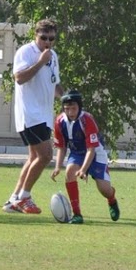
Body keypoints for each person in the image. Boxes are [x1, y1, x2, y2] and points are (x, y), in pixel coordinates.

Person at [5, 19, 62, 215]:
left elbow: (55, 85)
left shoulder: (53, 55)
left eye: (51, 38)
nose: (48, 42)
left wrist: (69, 99)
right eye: (43, 37)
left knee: (33, 157)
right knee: (45, 156)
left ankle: (14, 199)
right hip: (30, 113)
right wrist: (40, 62)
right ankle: (24, 197)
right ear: (35, 36)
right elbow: (19, 78)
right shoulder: (26, 52)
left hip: (45, 115)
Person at [49, 90, 119, 224]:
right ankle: (77, 215)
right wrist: (57, 167)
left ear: (79, 107)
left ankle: (112, 199)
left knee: (105, 190)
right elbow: (62, 147)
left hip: (96, 154)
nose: (70, 112)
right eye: (67, 108)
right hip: (77, 153)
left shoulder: (87, 120)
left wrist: (83, 170)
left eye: (73, 108)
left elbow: (91, 149)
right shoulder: (59, 122)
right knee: (69, 172)